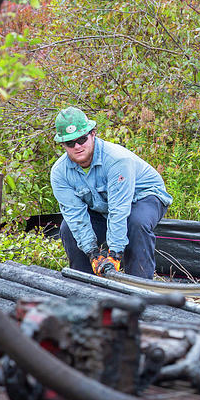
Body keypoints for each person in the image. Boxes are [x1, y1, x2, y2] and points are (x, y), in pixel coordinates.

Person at [50, 107, 173, 279]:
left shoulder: (117, 160)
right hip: (104, 206)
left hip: (144, 196)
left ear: (93, 134)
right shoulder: (59, 173)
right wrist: (93, 253)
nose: (77, 146)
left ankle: (139, 288)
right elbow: (75, 215)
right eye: (70, 143)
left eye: (82, 139)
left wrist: (114, 254)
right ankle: (84, 289)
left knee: (135, 223)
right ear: (63, 145)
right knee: (68, 228)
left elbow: (119, 209)